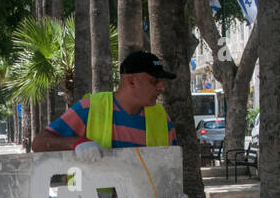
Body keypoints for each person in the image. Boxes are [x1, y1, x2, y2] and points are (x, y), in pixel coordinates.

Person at [32, 50, 178, 156]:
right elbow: (39, 143)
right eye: (154, 81)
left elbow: (170, 166)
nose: (162, 87)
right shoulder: (89, 109)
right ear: (131, 81)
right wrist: (76, 143)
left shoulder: (162, 118)